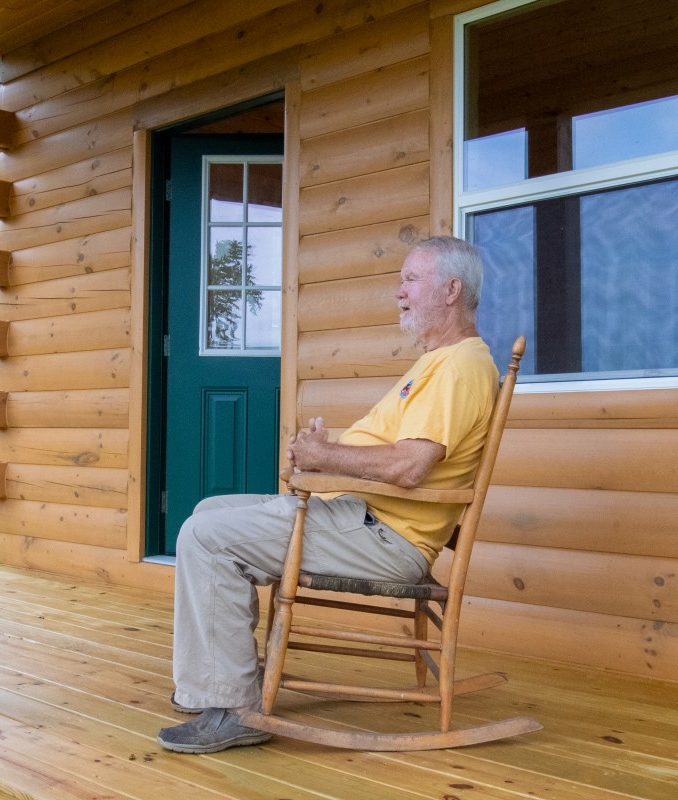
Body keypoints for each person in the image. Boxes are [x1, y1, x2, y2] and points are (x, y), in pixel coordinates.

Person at [157, 236, 499, 754]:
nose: (399, 292)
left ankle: (233, 706)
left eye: (410, 279)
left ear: (451, 290)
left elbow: (410, 466)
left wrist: (326, 458)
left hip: (386, 539)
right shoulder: (438, 363)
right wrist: (324, 452)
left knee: (206, 537)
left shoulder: (460, 367)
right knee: (210, 511)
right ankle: (216, 679)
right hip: (361, 517)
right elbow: (396, 453)